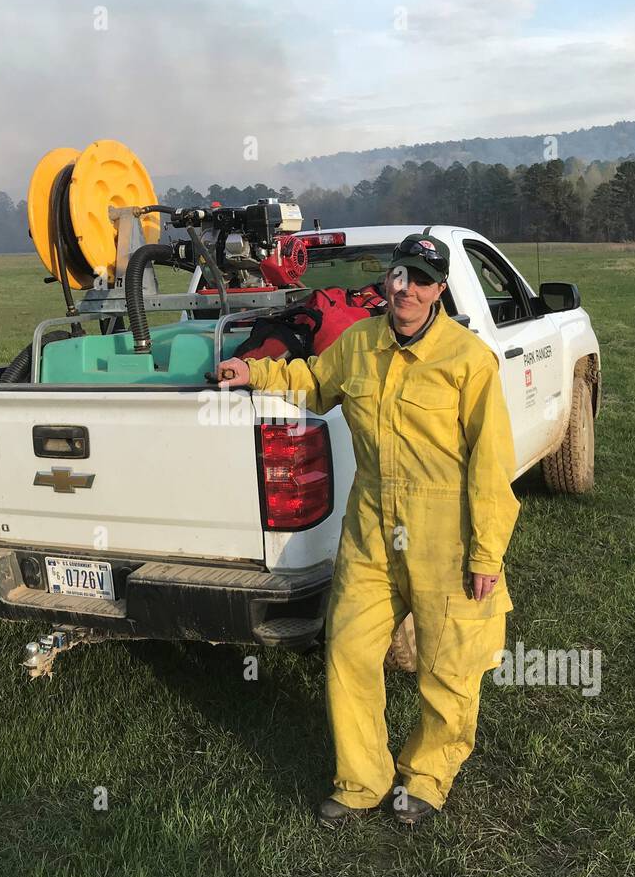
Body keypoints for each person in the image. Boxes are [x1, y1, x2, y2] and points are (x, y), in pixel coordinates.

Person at [216, 234, 520, 826]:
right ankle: (362, 779)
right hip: (372, 525)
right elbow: (310, 379)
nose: (405, 288)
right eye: (399, 276)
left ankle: (428, 777)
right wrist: (251, 370)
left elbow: (491, 464)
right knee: (350, 648)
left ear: (438, 291)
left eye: (420, 280)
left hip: (446, 529)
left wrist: (486, 553)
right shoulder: (358, 344)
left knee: (447, 662)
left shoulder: (468, 360)